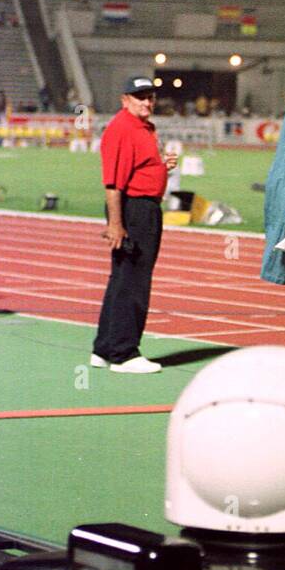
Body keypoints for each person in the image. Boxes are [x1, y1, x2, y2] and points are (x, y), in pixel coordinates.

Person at [91, 76, 178, 374]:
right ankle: (124, 353)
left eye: (150, 97)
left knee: (122, 278)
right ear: (124, 99)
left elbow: (136, 167)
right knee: (134, 281)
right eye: (139, 96)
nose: (147, 102)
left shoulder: (142, 128)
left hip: (140, 207)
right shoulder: (123, 128)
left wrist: (159, 167)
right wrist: (116, 224)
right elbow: (112, 183)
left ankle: (104, 348)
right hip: (134, 210)